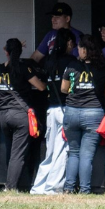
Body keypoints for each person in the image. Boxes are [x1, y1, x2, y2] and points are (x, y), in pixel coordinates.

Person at [61, 35, 105, 194]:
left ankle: (69, 188)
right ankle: (84, 190)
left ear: (85, 50)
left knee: (74, 152)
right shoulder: (104, 68)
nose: (78, 50)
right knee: (86, 156)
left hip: (71, 111)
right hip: (94, 112)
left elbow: (64, 88)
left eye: (80, 47)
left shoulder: (71, 66)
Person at [0, 39, 46, 191]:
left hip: (3, 115)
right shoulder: (23, 68)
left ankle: (9, 183)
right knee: (18, 154)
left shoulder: (0, 70)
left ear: (5, 51)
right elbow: (41, 87)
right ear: (20, 52)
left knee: (11, 151)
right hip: (20, 116)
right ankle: (11, 187)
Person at [30, 29, 75, 195]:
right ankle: (53, 187)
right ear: (69, 43)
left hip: (50, 109)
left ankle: (39, 186)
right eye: (72, 43)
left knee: (50, 150)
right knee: (62, 149)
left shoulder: (49, 61)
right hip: (64, 108)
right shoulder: (70, 61)